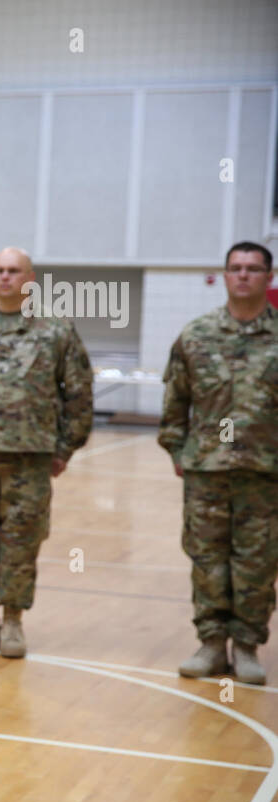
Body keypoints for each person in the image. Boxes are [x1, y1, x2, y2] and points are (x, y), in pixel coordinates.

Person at [0, 247, 93, 659]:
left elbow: (79, 394)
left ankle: (12, 619)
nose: (5, 277)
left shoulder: (55, 330)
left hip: (31, 458)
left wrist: (65, 447)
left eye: (14, 271)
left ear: (30, 278)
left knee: (21, 540)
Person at [162, 241, 277, 686]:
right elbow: (176, 402)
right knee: (207, 558)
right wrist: (178, 451)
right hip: (206, 472)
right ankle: (211, 643)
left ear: (269, 277)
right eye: (235, 268)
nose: (243, 275)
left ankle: (246, 645)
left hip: (265, 473)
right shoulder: (197, 335)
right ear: (225, 275)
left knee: (258, 562)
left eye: (253, 268)